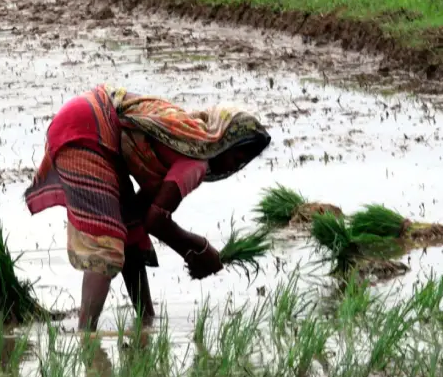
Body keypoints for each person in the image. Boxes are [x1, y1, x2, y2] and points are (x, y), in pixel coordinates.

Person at [26, 86, 270, 331]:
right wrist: (198, 248)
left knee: (130, 228)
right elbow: (156, 220)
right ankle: (86, 336)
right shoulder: (196, 159)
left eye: (243, 163)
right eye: (237, 158)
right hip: (86, 131)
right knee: (105, 243)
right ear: (224, 140)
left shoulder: (183, 135)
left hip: (89, 120)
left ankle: (145, 319)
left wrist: (191, 251)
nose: (235, 167)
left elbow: (142, 216)